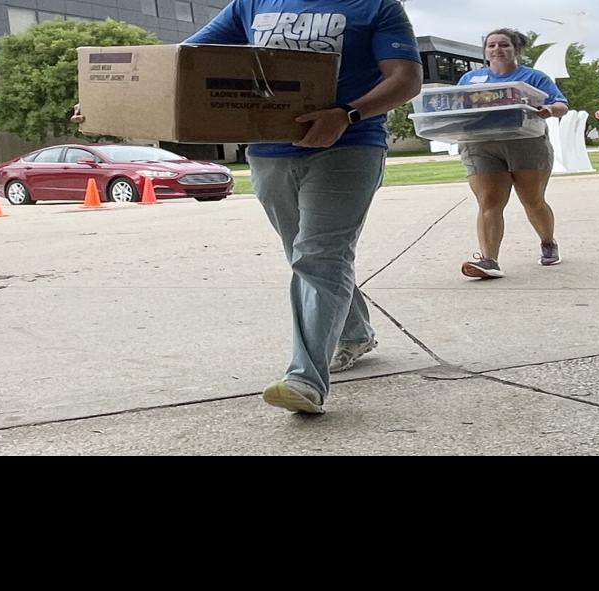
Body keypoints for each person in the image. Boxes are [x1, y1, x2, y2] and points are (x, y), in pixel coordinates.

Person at [76, 0, 423, 415]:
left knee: (320, 256)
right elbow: (184, 62)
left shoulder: (375, 5)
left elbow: (406, 79)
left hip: (349, 146)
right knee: (304, 255)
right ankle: (354, 333)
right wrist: (106, 100)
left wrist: (346, 114)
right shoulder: (252, 3)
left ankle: (305, 380)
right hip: (269, 150)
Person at [456, 29, 571, 281]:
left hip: (526, 142)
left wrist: (549, 109)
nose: (497, 49)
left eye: (504, 45)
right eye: (491, 45)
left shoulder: (533, 77)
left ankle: (548, 242)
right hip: (481, 144)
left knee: (532, 199)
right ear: (485, 51)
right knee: (488, 201)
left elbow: (561, 104)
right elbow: (456, 106)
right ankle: (489, 261)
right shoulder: (469, 79)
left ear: (516, 49)